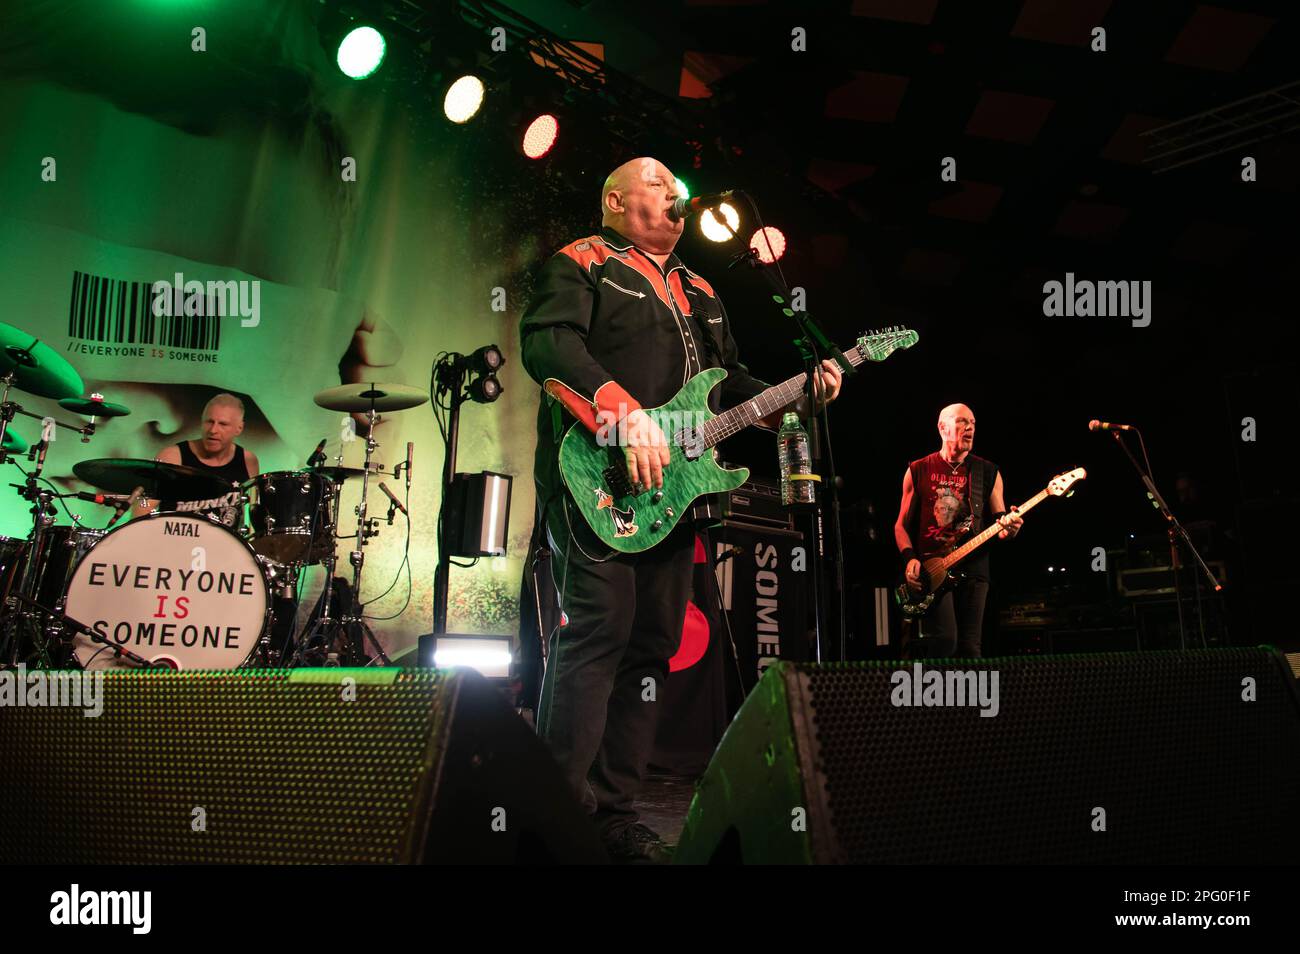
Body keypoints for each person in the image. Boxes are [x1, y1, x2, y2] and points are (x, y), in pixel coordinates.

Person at [520, 157, 841, 862]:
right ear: (615, 199)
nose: (674, 192)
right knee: (598, 634)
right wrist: (622, 414)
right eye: (658, 181)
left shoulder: (701, 288)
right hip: (597, 474)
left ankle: (611, 810)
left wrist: (798, 390)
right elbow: (548, 345)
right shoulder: (584, 262)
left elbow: (727, 386)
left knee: (652, 647)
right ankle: (547, 811)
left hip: (675, 491)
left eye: (675, 185)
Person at [894, 403, 1021, 657]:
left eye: (973, 423)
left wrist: (1012, 528)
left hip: (975, 569)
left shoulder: (987, 472)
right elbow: (901, 526)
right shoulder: (918, 469)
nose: (970, 427)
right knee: (945, 641)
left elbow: (1002, 524)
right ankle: (936, 695)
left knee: (970, 647)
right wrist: (910, 560)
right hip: (933, 571)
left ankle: (969, 697)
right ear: (942, 427)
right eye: (963, 421)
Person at [133, 392, 259, 526]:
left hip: (225, 544)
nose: (213, 430)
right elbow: (142, 508)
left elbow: (252, 514)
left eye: (223, 424)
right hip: (175, 542)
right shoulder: (172, 456)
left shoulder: (248, 461)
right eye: (209, 421)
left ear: (239, 428)